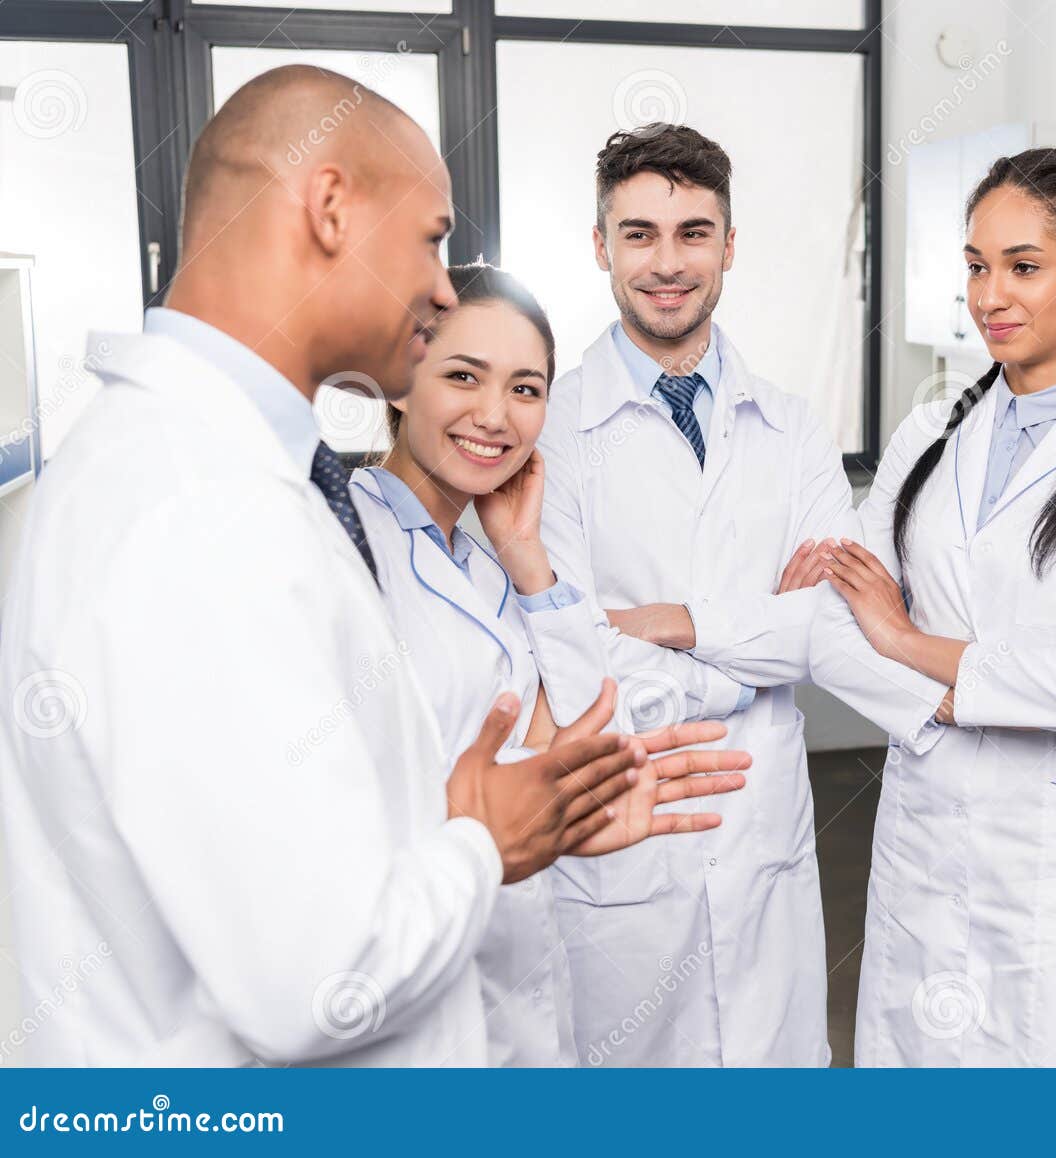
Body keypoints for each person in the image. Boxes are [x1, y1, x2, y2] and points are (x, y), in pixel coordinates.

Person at [0, 66, 700, 1065]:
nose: (443, 286)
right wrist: (484, 840)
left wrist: (502, 817)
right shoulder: (195, 504)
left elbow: (312, 834)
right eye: (431, 238)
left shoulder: (237, 477)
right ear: (330, 208)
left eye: (526, 387)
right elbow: (316, 978)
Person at [535, 123, 926, 1066]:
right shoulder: (549, 428)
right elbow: (570, 653)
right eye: (639, 234)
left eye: (694, 233)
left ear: (729, 245)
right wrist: (755, 658)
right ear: (600, 247)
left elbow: (832, 626)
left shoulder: (791, 427)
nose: (668, 263)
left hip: (761, 836)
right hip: (626, 842)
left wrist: (673, 625)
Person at [809, 148, 1056, 1065]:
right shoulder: (929, 432)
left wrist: (902, 636)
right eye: (978, 266)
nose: (991, 295)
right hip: (923, 839)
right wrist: (987, 686)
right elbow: (830, 631)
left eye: (1024, 267)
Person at [349, 260, 750, 1064]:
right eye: (464, 376)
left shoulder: (490, 562)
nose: (495, 416)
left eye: (526, 389)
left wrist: (527, 557)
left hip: (519, 978)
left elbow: (582, 723)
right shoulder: (347, 549)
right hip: (399, 993)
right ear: (399, 382)